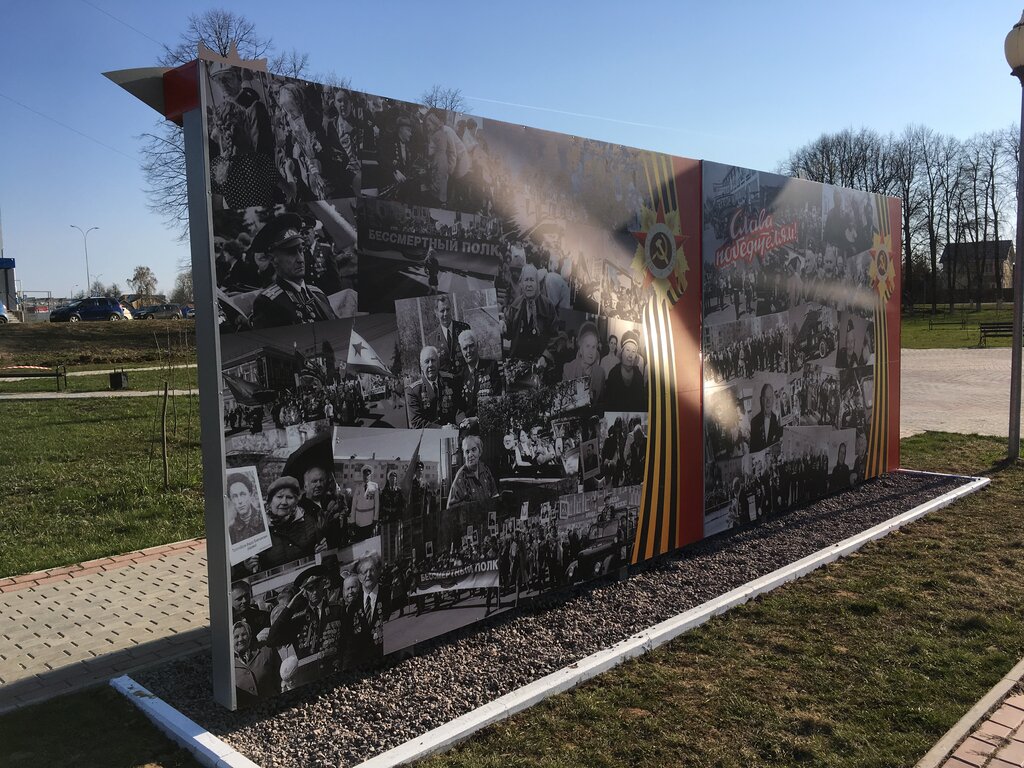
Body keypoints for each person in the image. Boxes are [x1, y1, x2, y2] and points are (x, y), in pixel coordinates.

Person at [249, 213, 338, 329]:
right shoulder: (268, 303)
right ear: (273, 260)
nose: (300, 259)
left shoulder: (318, 295)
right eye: (291, 253)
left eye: (301, 251)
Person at [503, 264, 558, 367]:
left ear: (537, 283)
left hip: (539, 365)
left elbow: (555, 337)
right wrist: (504, 326)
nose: (529, 284)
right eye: (526, 280)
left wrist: (545, 356)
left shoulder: (547, 306)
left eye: (532, 280)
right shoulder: (515, 304)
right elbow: (508, 331)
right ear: (521, 283)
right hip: (517, 365)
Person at [405, 346, 457, 427]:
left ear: (438, 363)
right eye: (427, 361)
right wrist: (441, 429)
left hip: (452, 430)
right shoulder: (413, 391)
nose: (430, 365)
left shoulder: (451, 381)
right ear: (421, 366)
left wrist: (462, 423)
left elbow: (458, 409)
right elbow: (416, 422)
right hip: (429, 433)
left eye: (433, 360)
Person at [456, 329, 502, 419]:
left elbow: (497, 400)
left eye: (471, 346)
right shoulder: (460, 376)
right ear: (461, 351)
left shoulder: (491, 367)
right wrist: (463, 422)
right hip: (468, 424)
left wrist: (477, 420)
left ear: (478, 345)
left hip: (489, 420)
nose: (468, 351)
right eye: (465, 348)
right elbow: (459, 409)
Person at [232, 619, 280, 705]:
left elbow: (279, 676)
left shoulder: (266, 650)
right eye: (236, 636)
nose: (240, 639)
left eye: (244, 634)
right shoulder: (228, 665)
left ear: (250, 636)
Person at [298, 466, 346, 548]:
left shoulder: (331, 501)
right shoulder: (299, 508)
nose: (319, 484)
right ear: (305, 486)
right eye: (314, 481)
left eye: (321, 480)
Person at [447, 435, 498, 507]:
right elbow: (451, 507)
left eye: (474, 450)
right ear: (464, 455)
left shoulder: (485, 469)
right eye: (467, 452)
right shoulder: (460, 477)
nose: (470, 454)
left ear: (479, 452)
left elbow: (495, 494)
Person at [562, 321, 606, 402]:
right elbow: (564, 403)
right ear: (581, 349)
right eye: (587, 346)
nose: (591, 352)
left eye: (593, 347)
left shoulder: (600, 373)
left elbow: (601, 403)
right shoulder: (568, 369)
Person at [603, 330, 646, 412]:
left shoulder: (638, 376)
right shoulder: (613, 374)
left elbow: (641, 406)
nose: (630, 355)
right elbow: (608, 406)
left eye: (633, 351)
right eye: (628, 350)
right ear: (621, 352)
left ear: (636, 356)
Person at [431, 294, 470, 376]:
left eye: (448, 309)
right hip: (446, 382)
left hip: (466, 378)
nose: (446, 314)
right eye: (442, 311)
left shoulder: (464, 329)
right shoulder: (432, 339)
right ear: (436, 313)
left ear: (451, 309)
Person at [226, 472, 265, 544]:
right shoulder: (230, 530)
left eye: (243, 494)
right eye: (235, 496)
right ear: (231, 500)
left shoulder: (263, 519)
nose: (239, 501)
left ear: (250, 494)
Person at [749, 383, 783, 452]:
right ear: (761, 400)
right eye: (766, 398)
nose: (768, 401)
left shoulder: (778, 421)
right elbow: (752, 449)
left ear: (773, 400)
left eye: (770, 398)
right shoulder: (754, 422)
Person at [351, 465, 379, 541]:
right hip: (358, 520)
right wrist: (352, 520)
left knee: (368, 541)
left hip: (369, 520)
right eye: (364, 475)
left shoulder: (374, 486)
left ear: (370, 475)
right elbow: (354, 505)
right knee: (358, 541)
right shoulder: (358, 486)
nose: (366, 476)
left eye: (367, 475)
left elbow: (377, 504)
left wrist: (375, 518)